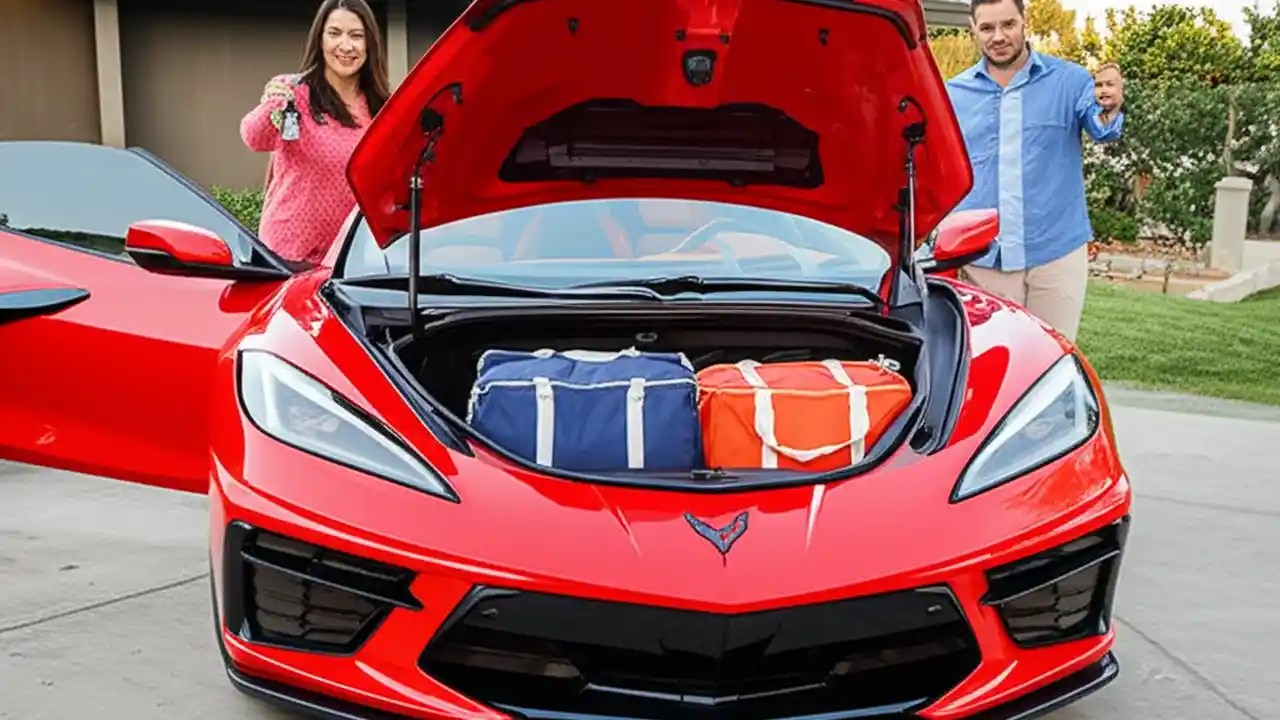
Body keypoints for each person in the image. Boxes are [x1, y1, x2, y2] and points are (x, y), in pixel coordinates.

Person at [945, 0, 1125, 342]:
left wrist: (1112, 107)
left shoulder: (1071, 81)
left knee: (1053, 362)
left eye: (1008, 24)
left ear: (1025, 22)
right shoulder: (952, 94)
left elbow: (1104, 130)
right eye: (987, 28)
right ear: (973, 29)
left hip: (1056, 255)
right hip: (984, 261)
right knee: (994, 362)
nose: (999, 36)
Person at [240, 0, 390, 265]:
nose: (346, 46)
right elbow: (254, 137)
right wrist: (274, 104)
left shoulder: (381, 107)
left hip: (351, 262)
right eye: (334, 33)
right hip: (289, 256)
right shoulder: (293, 91)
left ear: (370, 44)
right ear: (320, 40)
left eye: (356, 36)